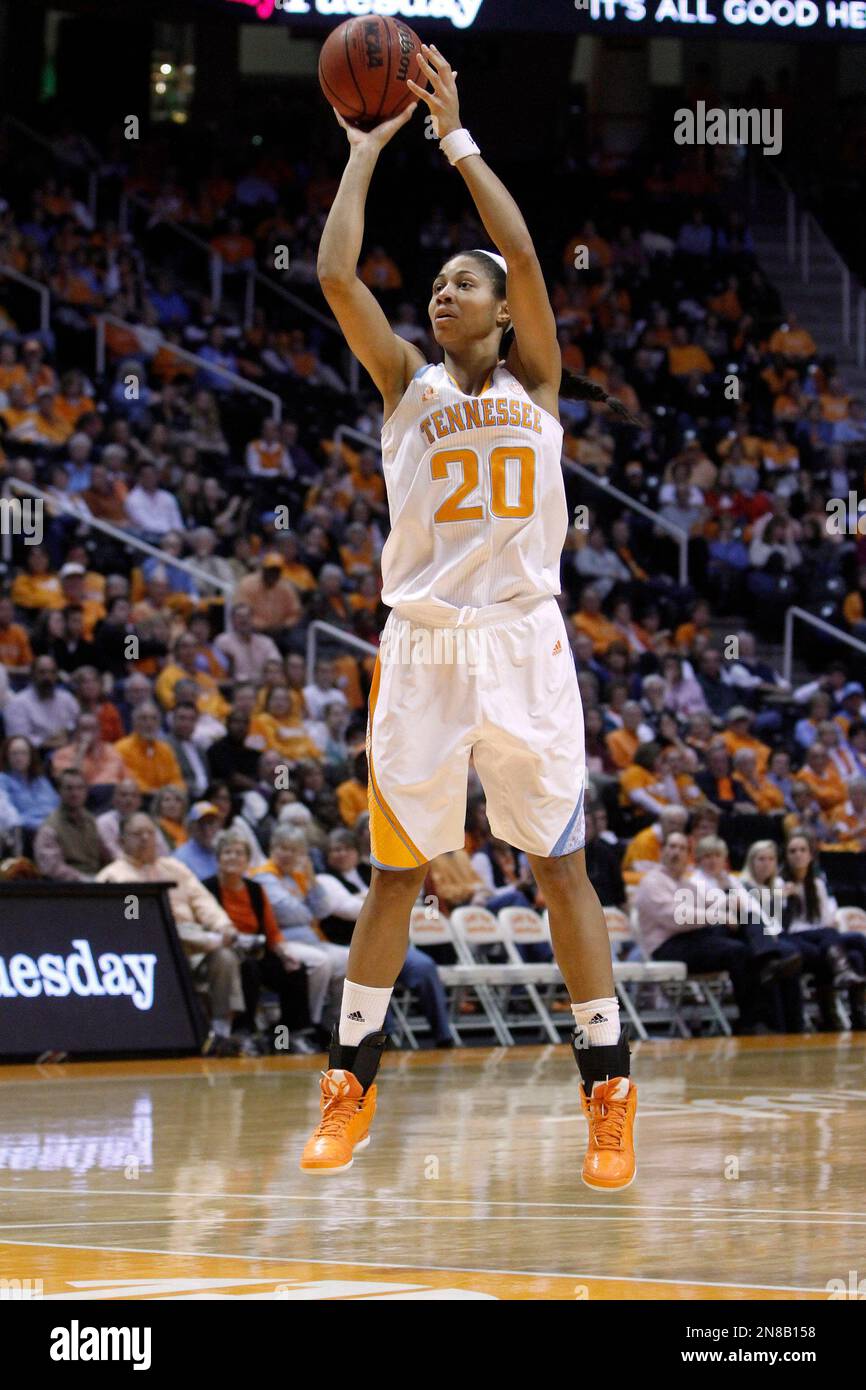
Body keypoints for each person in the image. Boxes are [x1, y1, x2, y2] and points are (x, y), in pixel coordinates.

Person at [300, 48, 637, 1184]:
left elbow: (530, 255)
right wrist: (361, 152)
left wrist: (455, 140)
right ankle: (347, 1085)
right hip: (425, 646)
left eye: (463, 284)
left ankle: (606, 1088)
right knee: (397, 874)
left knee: (560, 869)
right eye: (437, 283)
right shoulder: (405, 381)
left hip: (523, 639)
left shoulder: (533, 380)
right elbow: (338, 276)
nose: (443, 292)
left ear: (500, 313)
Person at [97, 813, 246, 1052]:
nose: (145, 839)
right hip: (148, 947)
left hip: (193, 945)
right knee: (169, 929)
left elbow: (203, 901)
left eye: (150, 833)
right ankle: (211, 940)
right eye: (137, 834)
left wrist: (223, 925)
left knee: (225, 957)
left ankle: (220, 1033)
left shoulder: (175, 867)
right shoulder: (112, 875)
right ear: (122, 840)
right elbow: (124, 925)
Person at [203, 830, 316, 1053]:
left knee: (295, 969)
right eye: (228, 853)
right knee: (250, 969)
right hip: (225, 952)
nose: (233, 857)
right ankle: (243, 1032)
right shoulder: (208, 887)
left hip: (256, 949)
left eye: (239, 853)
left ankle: (292, 1034)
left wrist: (285, 954)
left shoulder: (255, 889)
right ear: (218, 859)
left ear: (247, 861)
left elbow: (272, 932)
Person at [251, 824, 349, 1045]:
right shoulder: (263, 877)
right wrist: (307, 910)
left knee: (349, 960)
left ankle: (333, 1024)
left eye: (293, 850)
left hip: (311, 940)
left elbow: (323, 910)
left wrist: (312, 878)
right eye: (282, 848)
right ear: (272, 849)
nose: (287, 854)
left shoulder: (299, 876)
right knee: (320, 962)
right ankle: (309, 1023)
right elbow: (287, 912)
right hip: (281, 941)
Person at [34, 767, 111, 881]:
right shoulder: (49, 827)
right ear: (59, 791)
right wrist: (82, 878)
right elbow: (52, 868)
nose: (75, 793)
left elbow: (107, 856)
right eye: (69, 788)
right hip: (67, 890)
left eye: (80, 788)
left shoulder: (92, 821)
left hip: (96, 881)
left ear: (86, 791)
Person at [4, 654, 79, 750]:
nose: (47, 677)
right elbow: (17, 740)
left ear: (57, 675)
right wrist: (49, 742)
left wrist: (67, 733)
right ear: (32, 674)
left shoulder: (67, 698)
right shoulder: (17, 703)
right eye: (42, 672)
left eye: (52, 672)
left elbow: (77, 725)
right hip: (34, 756)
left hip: (68, 750)